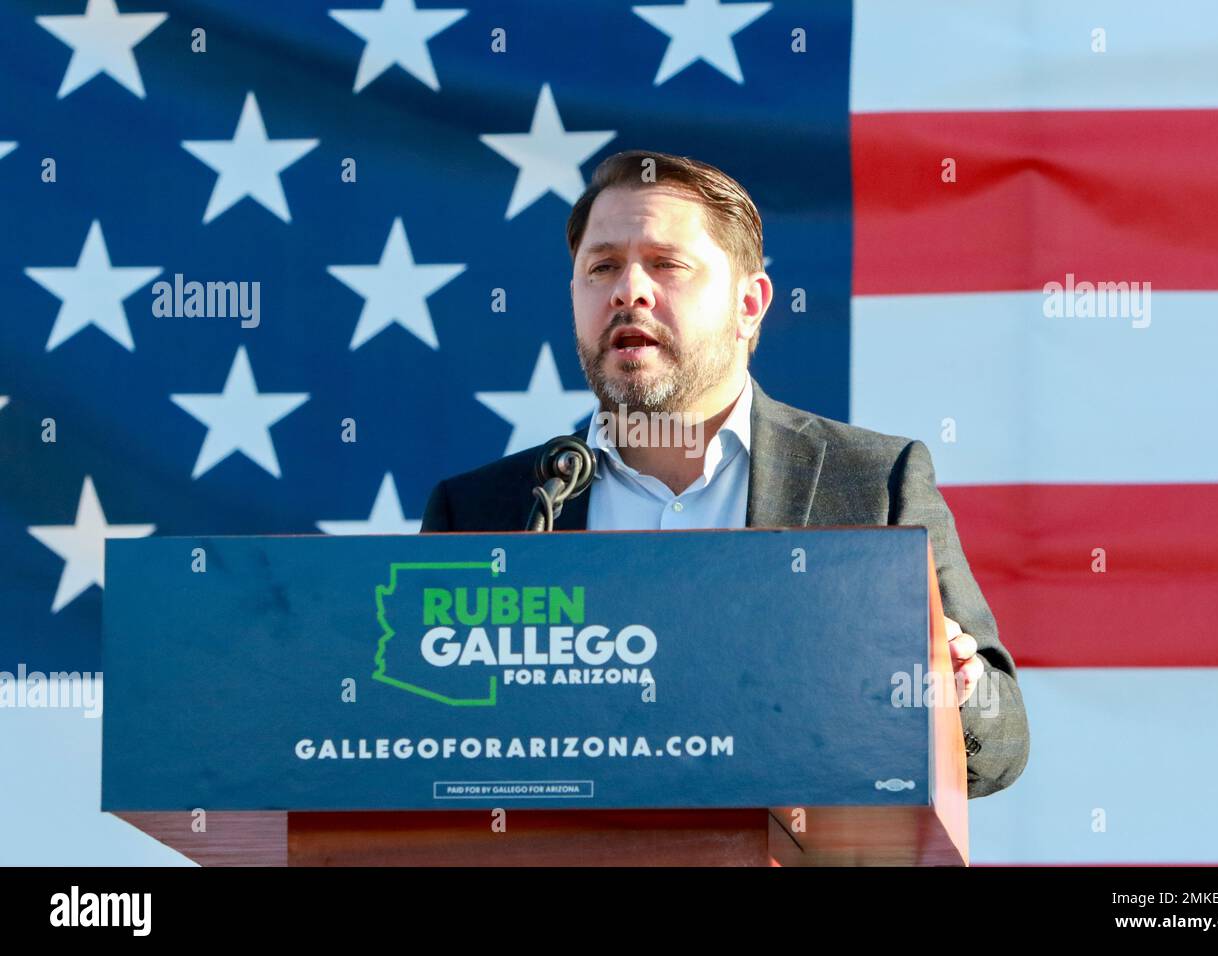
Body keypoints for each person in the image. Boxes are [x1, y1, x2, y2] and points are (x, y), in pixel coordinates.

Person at [421, 150, 1029, 798]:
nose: (629, 290)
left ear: (750, 303)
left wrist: (955, 687)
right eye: (602, 268)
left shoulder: (872, 481)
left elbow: (1000, 747)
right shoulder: (488, 511)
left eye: (665, 264)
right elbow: (424, 736)